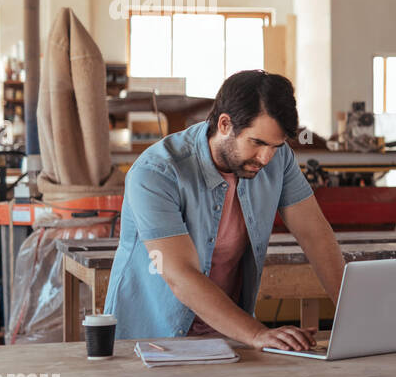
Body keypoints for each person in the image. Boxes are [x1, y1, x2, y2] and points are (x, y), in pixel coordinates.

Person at [103, 70, 344, 349]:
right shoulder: (156, 173)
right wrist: (256, 333)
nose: (266, 158)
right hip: (152, 340)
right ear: (225, 124)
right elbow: (180, 274)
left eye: (276, 146)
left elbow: (316, 236)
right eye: (257, 142)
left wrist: (356, 318)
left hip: (228, 337)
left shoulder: (279, 160)